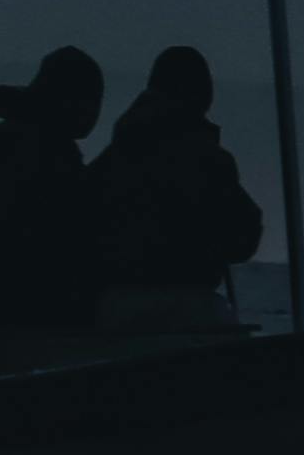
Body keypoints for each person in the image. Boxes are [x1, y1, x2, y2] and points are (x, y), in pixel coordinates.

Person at [90, 44, 263, 307]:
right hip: (187, 302)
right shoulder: (208, 160)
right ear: (203, 95)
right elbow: (243, 237)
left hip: (115, 306)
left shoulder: (113, 157)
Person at [0, 45, 106, 337]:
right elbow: (58, 241)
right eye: (89, 100)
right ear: (68, 100)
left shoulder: (14, 141)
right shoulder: (43, 152)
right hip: (25, 326)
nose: (93, 112)